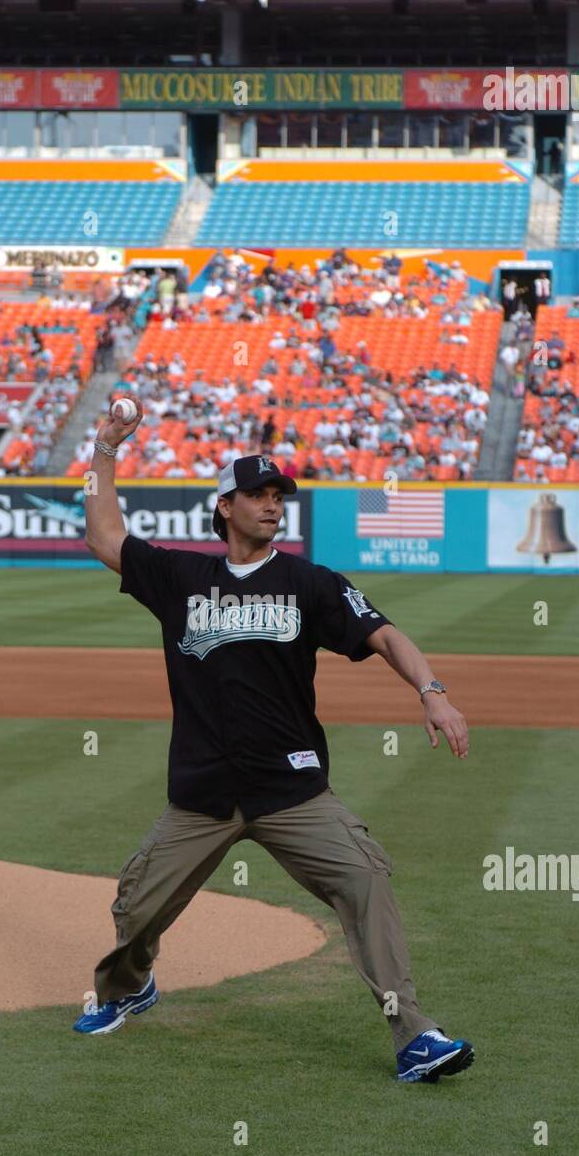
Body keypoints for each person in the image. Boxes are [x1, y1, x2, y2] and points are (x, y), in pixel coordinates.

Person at [71, 399, 475, 1087]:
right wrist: (105, 451)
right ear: (224, 507)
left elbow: (382, 633)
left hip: (291, 791)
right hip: (201, 792)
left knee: (364, 877)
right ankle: (128, 987)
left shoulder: (307, 583)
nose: (270, 505)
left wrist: (430, 690)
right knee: (135, 906)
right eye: (255, 495)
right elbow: (104, 537)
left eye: (276, 495)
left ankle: (413, 1035)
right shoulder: (181, 578)